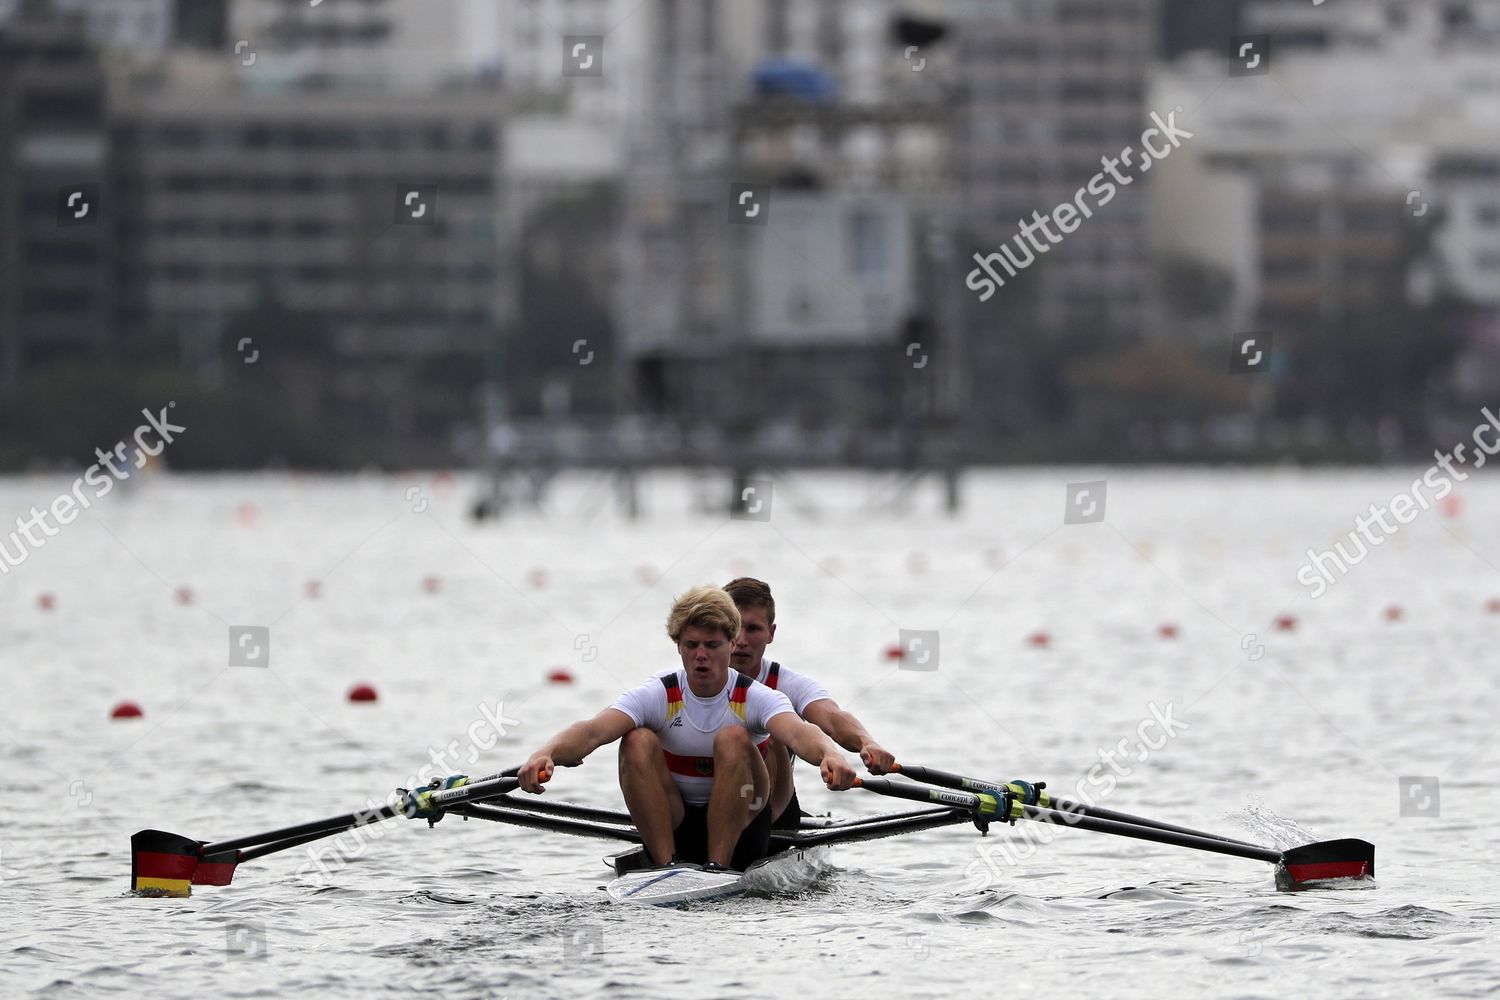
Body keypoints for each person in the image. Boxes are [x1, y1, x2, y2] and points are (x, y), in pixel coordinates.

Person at [517, 586, 856, 871]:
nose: (701, 656)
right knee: (636, 738)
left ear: (730, 643)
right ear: (678, 645)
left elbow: (798, 733)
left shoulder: (755, 696)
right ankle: (667, 868)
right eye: (691, 645)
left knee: (733, 738)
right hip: (677, 820)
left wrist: (829, 754)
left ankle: (716, 867)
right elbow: (591, 732)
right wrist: (544, 753)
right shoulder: (660, 693)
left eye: (712, 645)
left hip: (745, 822)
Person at [721, 577, 896, 830]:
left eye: (753, 629)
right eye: (735, 627)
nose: (741, 640)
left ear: (770, 633)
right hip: (706, 800)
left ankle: (751, 834)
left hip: (770, 810)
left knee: (769, 732)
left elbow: (832, 717)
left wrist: (866, 743)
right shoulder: (689, 681)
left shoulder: (787, 683)